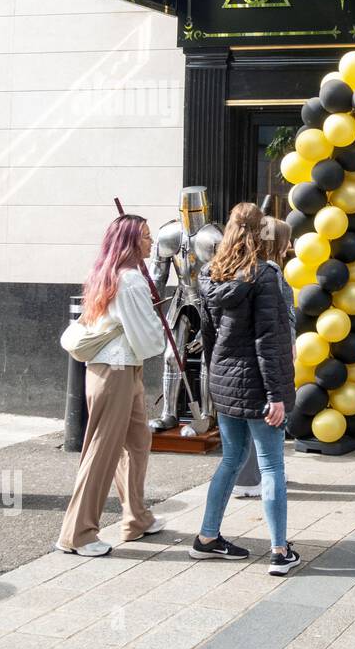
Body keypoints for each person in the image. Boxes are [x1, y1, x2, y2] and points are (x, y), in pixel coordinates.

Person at [191, 203, 300, 576]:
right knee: (271, 466)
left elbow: (208, 337)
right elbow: (268, 341)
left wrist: (216, 379)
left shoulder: (209, 273)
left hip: (223, 381)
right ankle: (279, 550)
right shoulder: (264, 276)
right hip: (257, 384)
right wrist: (277, 395)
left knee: (231, 459)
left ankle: (207, 537)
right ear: (260, 232)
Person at [57, 214, 167, 557]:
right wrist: (161, 329)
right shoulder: (131, 281)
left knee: (137, 441)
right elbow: (149, 338)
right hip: (116, 371)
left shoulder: (107, 275)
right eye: (146, 237)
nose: (151, 243)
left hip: (116, 369)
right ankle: (77, 534)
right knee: (103, 451)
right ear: (132, 242)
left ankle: (136, 517)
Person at [233, 216, 294, 499]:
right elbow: (278, 318)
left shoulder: (254, 270)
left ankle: (253, 475)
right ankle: (255, 477)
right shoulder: (270, 273)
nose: (290, 245)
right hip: (267, 354)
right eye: (286, 239)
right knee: (267, 414)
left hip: (247, 355)